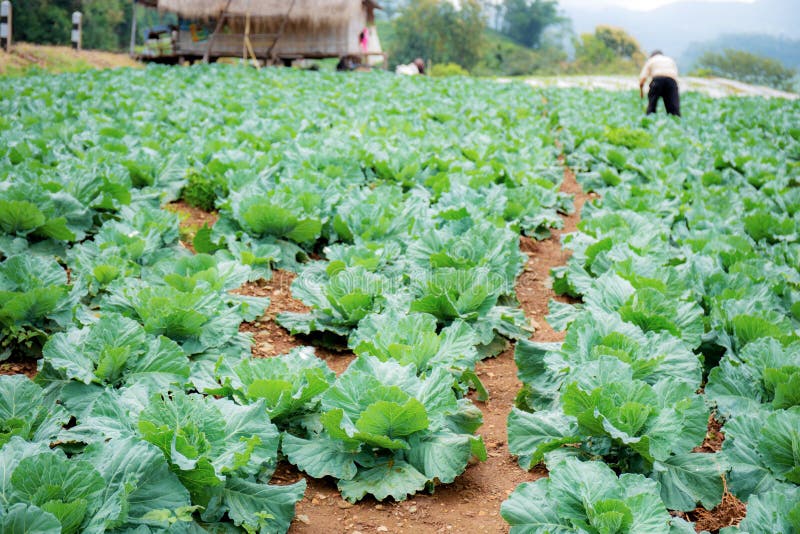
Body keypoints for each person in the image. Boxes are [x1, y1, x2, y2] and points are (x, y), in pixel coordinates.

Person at [639, 50, 680, 116]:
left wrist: (641, 91)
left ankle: (650, 119)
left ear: (652, 56)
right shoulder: (669, 60)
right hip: (671, 81)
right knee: (673, 108)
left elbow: (643, 77)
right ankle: (676, 121)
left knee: (652, 105)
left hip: (657, 81)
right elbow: (675, 75)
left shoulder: (651, 60)